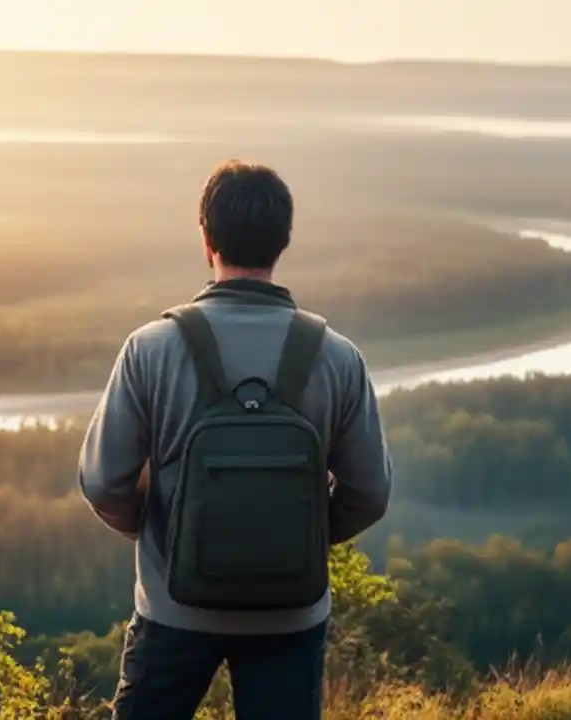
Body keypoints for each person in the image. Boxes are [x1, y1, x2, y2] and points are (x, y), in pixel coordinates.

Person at [79, 160, 392, 720]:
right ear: (283, 241)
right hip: (289, 614)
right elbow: (370, 492)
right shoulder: (338, 358)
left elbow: (104, 481)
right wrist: (298, 536)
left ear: (206, 239)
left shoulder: (151, 350)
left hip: (174, 611)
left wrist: (168, 536)